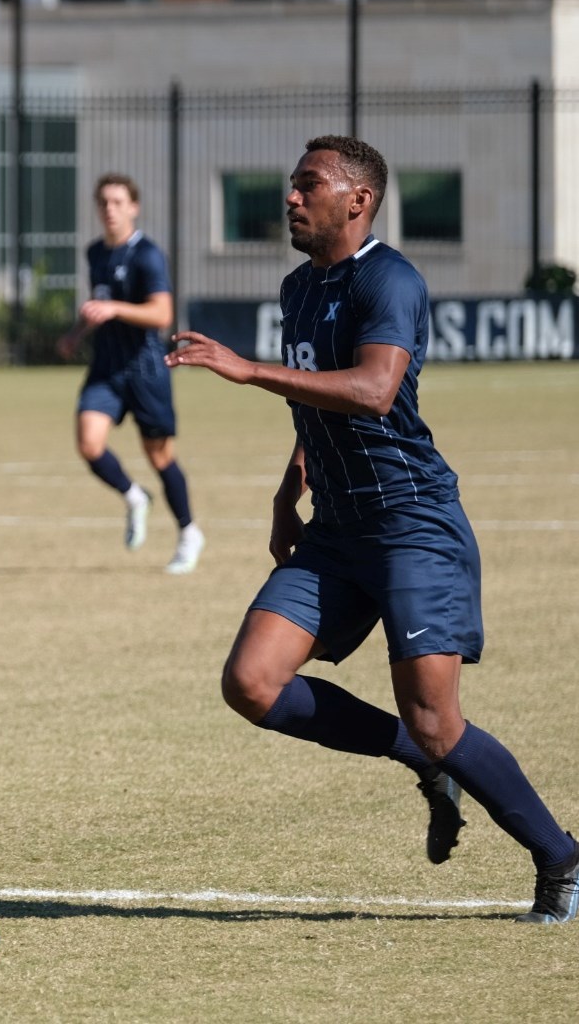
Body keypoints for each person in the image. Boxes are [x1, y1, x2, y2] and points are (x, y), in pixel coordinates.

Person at [166, 135, 576, 924]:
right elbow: (315, 398)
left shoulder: (390, 279)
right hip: (336, 528)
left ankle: (559, 856)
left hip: (410, 523)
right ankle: (420, 761)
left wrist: (247, 369)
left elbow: (372, 388)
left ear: (356, 201)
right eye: (289, 184)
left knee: (438, 720)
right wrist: (290, 489)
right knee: (251, 684)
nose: (290, 197)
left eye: (306, 184)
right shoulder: (296, 287)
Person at [58, 174, 201, 573]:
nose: (110, 209)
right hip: (106, 367)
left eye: (118, 202)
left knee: (159, 456)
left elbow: (162, 314)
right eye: (103, 202)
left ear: (133, 207)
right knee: (89, 444)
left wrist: (117, 311)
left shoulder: (147, 256)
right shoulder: (95, 253)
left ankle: (189, 532)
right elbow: (100, 304)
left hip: (145, 370)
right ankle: (135, 497)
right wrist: (76, 334)